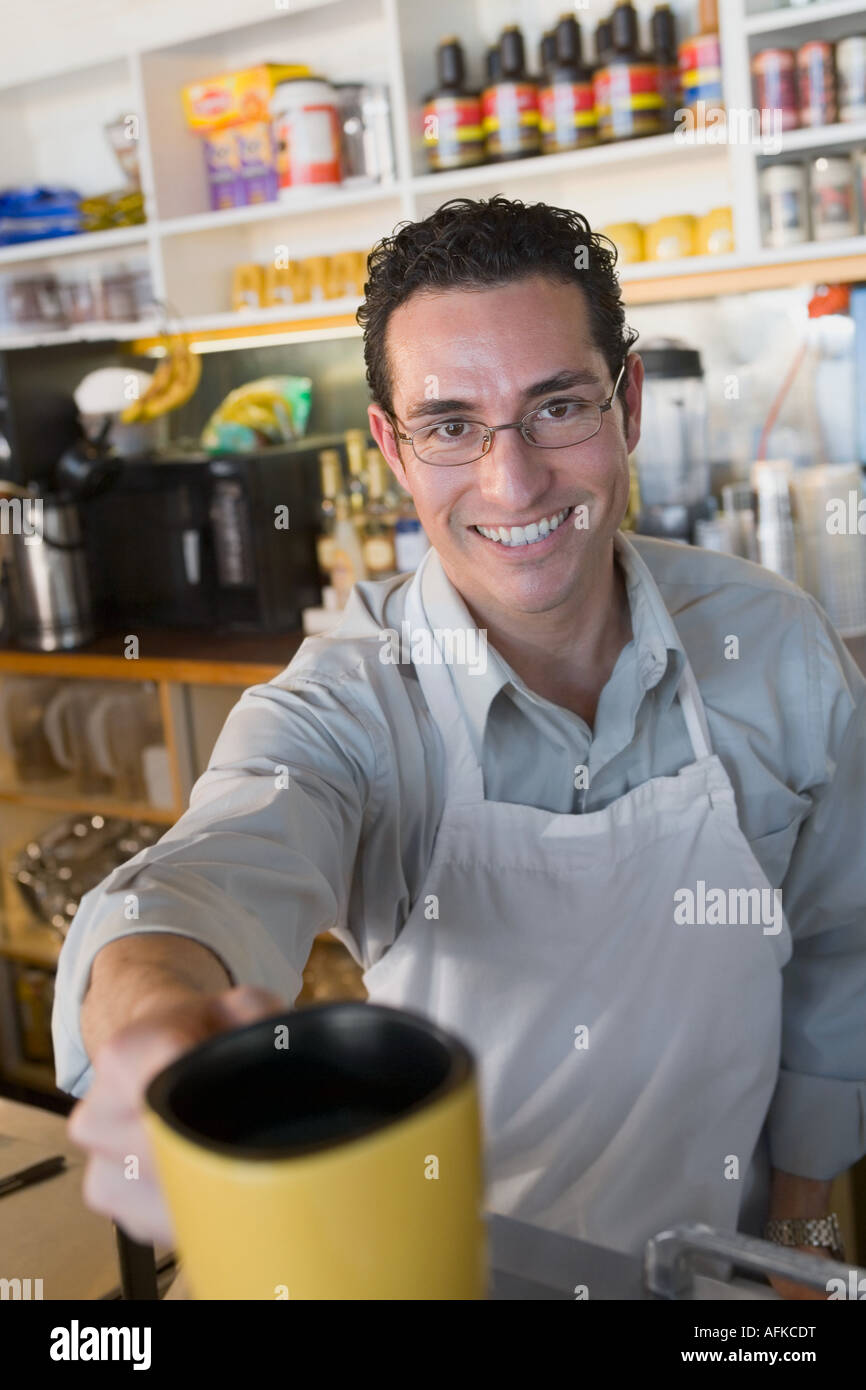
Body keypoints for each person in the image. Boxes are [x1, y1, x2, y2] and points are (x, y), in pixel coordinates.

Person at [55, 197, 866, 1298]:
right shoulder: (349, 704)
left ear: (624, 404)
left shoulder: (773, 644)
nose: (512, 481)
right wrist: (156, 1020)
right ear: (391, 446)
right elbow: (199, 878)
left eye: (556, 409)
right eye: (449, 425)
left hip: (715, 1272)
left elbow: (834, 952)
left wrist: (800, 1235)